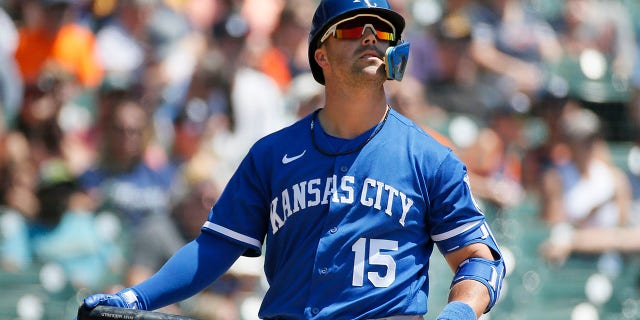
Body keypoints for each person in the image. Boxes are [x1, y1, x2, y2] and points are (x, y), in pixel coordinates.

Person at [79, 1, 505, 319]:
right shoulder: (272, 154)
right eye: (354, 28)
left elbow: (481, 259)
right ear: (321, 54)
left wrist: (459, 313)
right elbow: (215, 247)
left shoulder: (431, 159)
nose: (372, 36)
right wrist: (135, 297)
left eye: (383, 30)